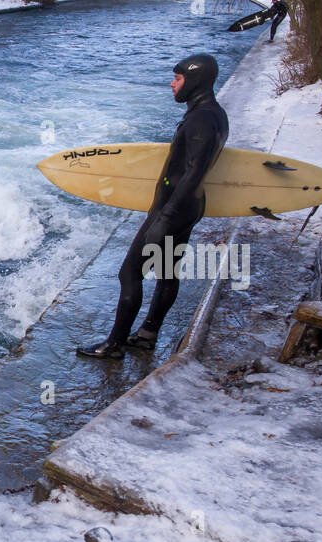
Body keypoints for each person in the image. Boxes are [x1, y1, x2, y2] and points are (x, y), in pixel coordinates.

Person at [78, 54, 229, 359]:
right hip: (188, 207)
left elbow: (193, 172)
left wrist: (165, 217)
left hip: (173, 209)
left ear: (195, 81)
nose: (172, 84)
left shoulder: (200, 119)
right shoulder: (214, 114)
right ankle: (147, 334)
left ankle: (115, 344)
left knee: (130, 273)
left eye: (178, 79)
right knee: (167, 271)